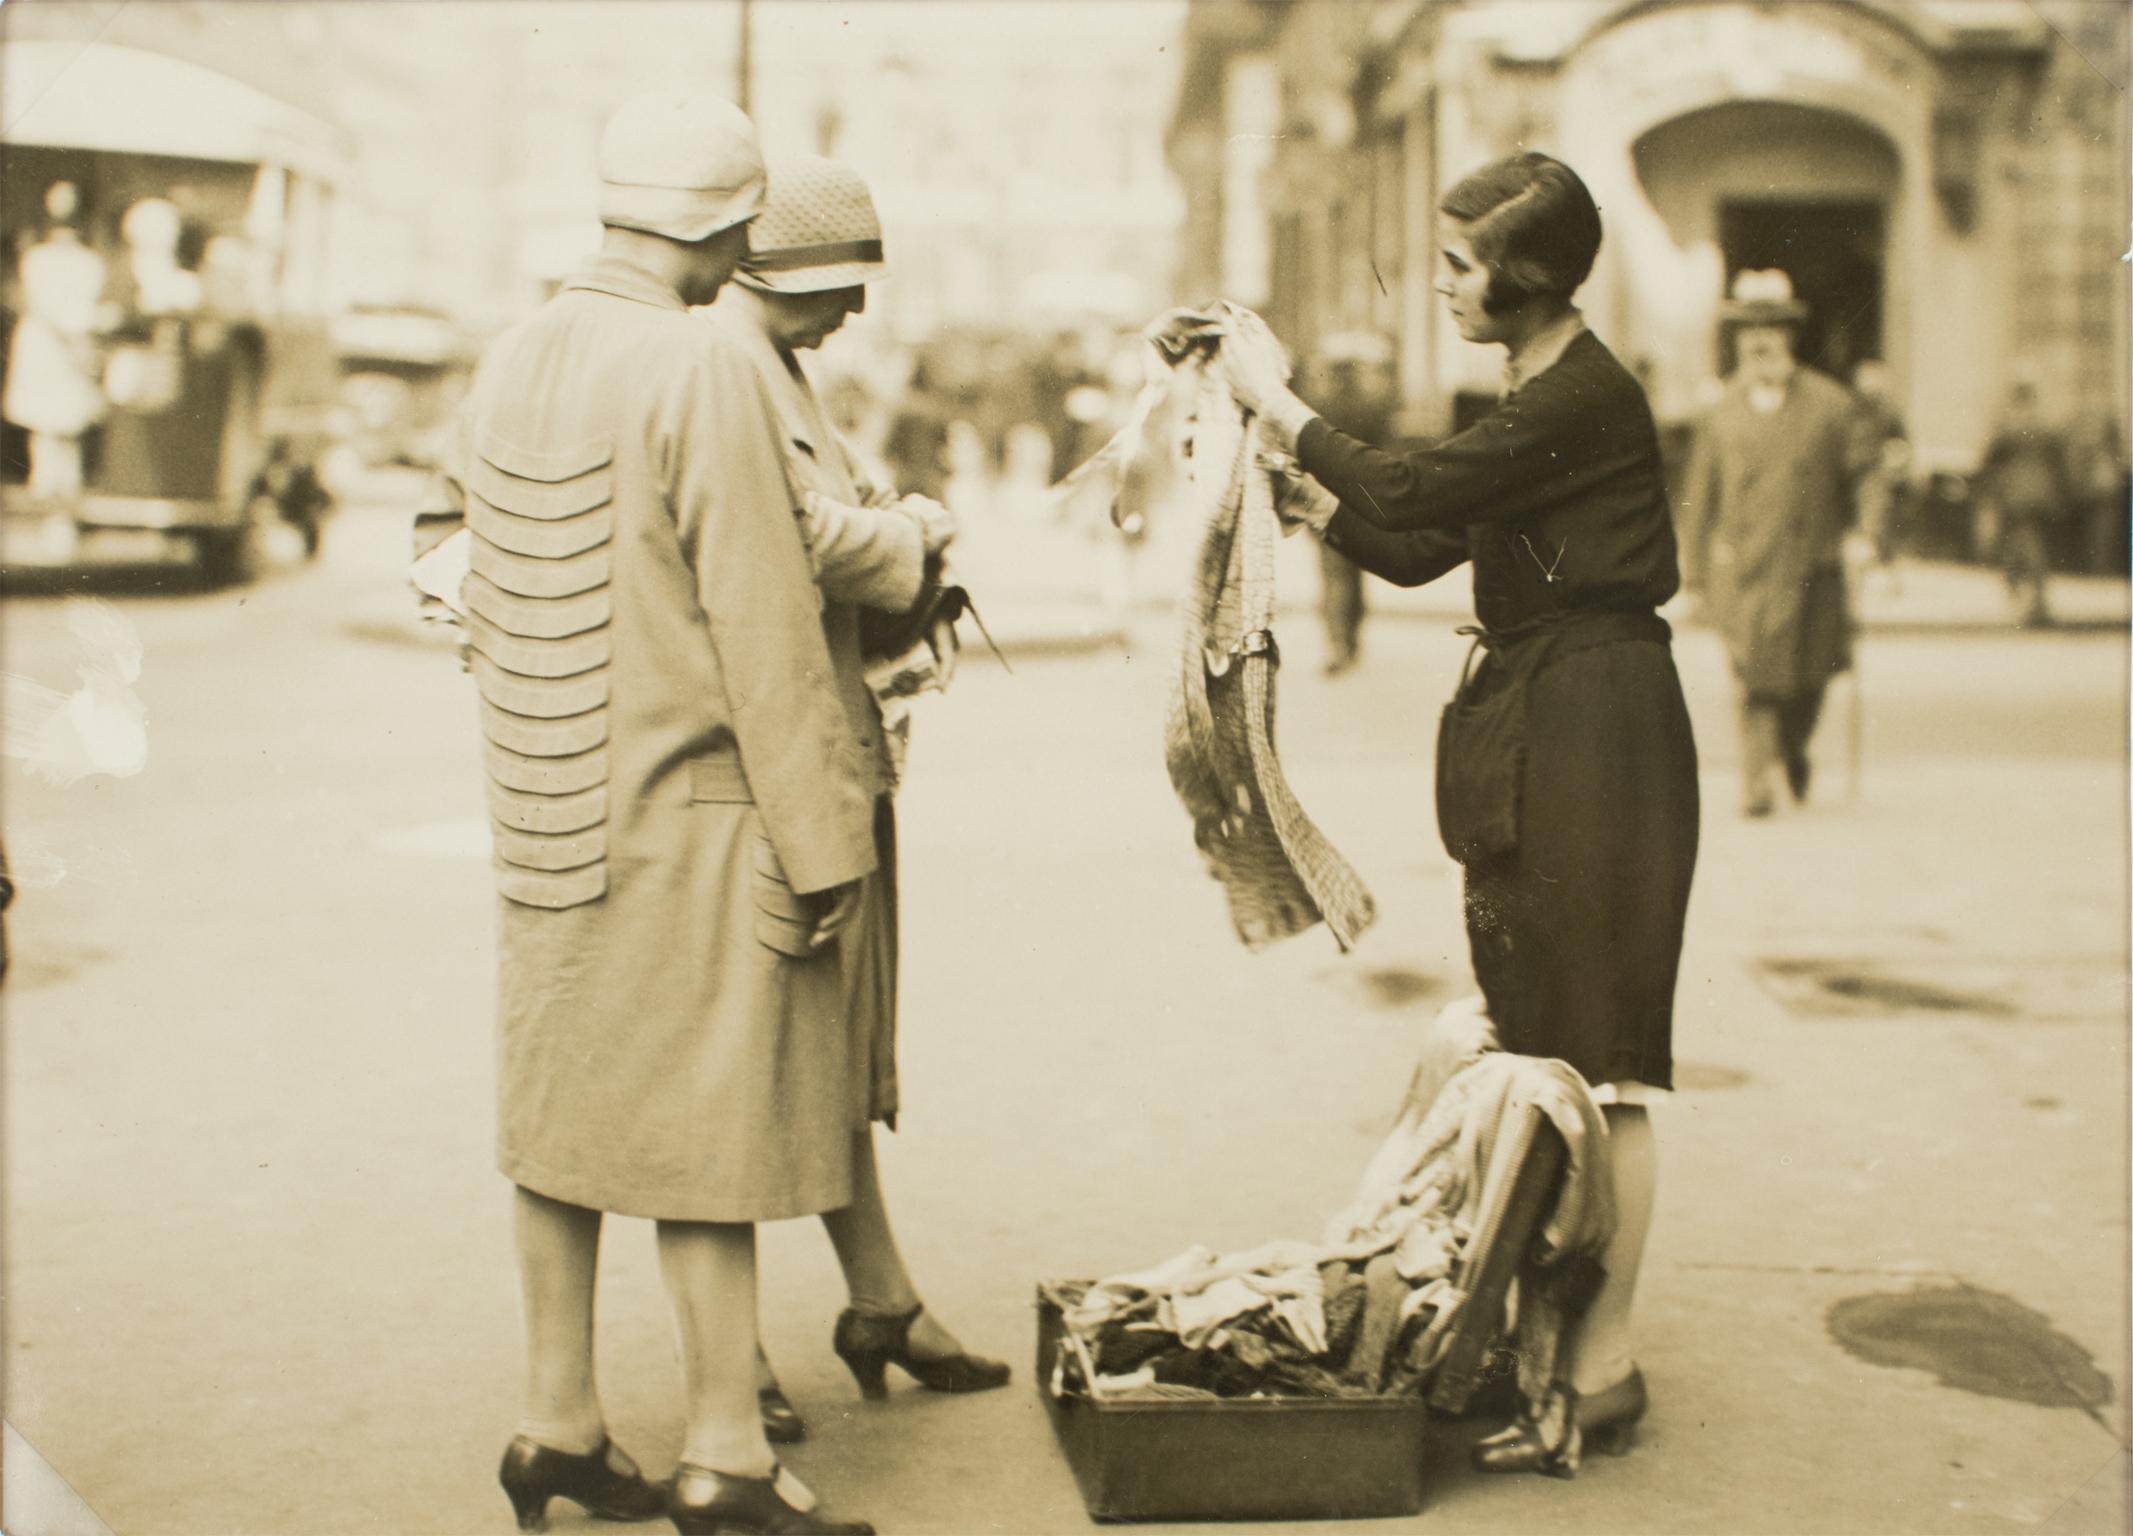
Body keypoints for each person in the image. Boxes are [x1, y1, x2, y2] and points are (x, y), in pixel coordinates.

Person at [422, 91, 878, 1536]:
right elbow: (762, 618)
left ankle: (556, 1425)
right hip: (695, 808)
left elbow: (451, 559)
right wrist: (827, 841)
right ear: (729, 228)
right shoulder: (700, 364)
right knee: (709, 1130)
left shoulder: (514, 352)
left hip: (544, 800)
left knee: (558, 1124)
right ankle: (725, 1456)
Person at [1216, 150, 1698, 1476]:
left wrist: (1279, 404)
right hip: (1552, 719)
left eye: (1458, 264)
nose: (1438, 284)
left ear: (1526, 277)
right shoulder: (1540, 391)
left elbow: (1417, 498)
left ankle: (1604, 1365)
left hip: (1598, 731)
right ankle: (1551, 1329)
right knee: (1543, 1035)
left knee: (1602, 1058)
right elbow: (1423, 545)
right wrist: (1304, 498)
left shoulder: (1581, 394)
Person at [700, 153, 1009, 1441]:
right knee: (749, 1056)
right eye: (845, 284)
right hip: (763, 761)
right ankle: (728, 1364)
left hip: (823, 742)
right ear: (788, 271)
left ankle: (878, 1298)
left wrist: (886, 510)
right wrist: (910, 538)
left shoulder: (774, 364)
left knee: (827, 1034)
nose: (858, 312)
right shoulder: (720, 360)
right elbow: (793, 533)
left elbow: (825, 504)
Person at [1680, 269, 1875, 817]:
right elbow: (1699, 496)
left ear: (1789, 337)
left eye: (1770, 330)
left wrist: (1866, 534)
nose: (1759, 342)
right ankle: (1756, 785)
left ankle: (1792, 750)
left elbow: (1866, 474)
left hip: (1813, 568)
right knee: (1754, 678)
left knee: (1809, 682)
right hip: (1745, 573)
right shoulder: (1719, 411)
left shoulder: (1831, 405)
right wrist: (1692, 573)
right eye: (1748, 332)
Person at [3, 182, 107, 501]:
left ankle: (68, 492)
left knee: (69, 422)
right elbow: (42, 304)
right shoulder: (37, 259)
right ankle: (44, 487)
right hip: (45, 347)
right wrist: (68, 338)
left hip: (76, 346)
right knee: (44, 422)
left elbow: (88, 304)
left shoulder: (90, 262)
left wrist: (82, 341)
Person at [1975, 381, 2074, 627]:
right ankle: (2034, 599)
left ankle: (2029, 598)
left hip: (2014, 496)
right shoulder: (2046, 427)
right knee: (2031, 544)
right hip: (2043, 496)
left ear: (2016, 401)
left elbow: (1988, 460)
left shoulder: (2007, 427)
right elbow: (2061, 463)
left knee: (2021, 545)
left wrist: (1985, 489)